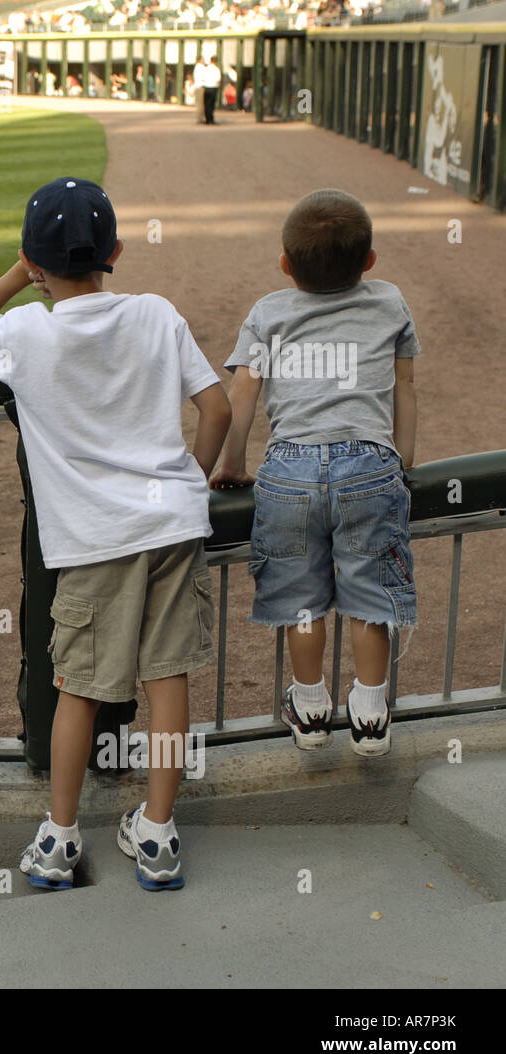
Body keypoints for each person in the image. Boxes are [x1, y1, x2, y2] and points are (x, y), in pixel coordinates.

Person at [0, 178, 231, 891]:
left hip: (94, 539)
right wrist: (188, 482)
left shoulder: (24, 331)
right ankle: (158, 834)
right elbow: (217, 407)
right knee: (168, 681)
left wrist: (21, 272)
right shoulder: (156, 311)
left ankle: (60, 838)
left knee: (77, 685)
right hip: (171, 527)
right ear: (118, 253)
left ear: (36, 263)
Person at [210, 189, 419, 759]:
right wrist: (401, 459)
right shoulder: (390, 301)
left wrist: (232, 465)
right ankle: (370, 713)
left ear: (284, 263)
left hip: (290, 469)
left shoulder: (269, 310)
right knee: (370, 594)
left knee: (303, 598)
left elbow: (243, 392)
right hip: (370, 464)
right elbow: (405, 387)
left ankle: (310, 709)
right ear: (369, 261)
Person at [194, 53, 221, 124]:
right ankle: (210, 119)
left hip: (206, 87)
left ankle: (207, 119)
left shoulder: (206, 68)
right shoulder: (216, 69)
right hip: (213, 87)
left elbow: (203, 77)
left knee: (206, 104)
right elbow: (218, 79)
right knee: (211, 104)